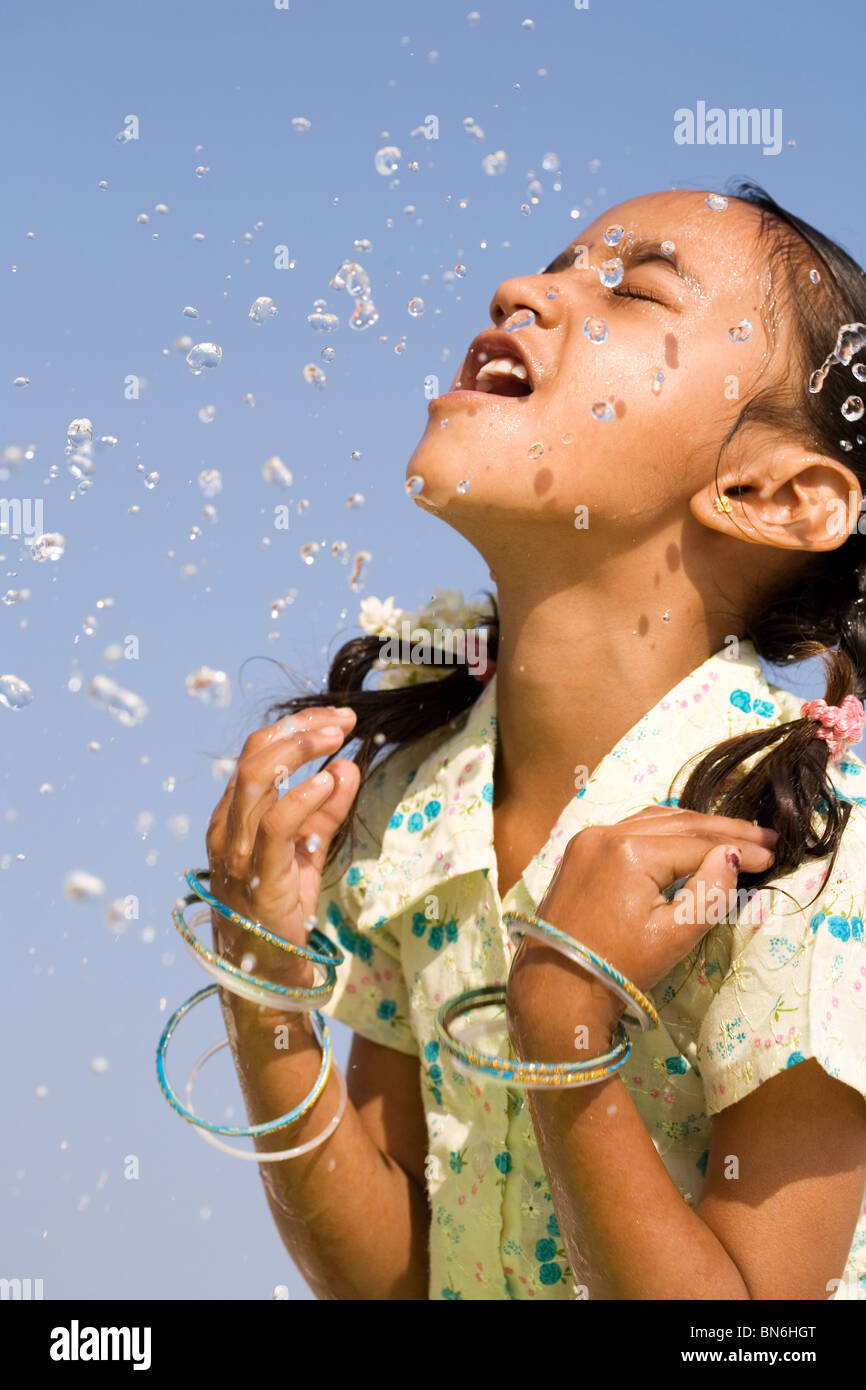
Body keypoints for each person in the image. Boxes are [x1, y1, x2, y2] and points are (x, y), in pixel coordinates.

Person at [202, 180, 866, 1300]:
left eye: (637, 286)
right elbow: (391, 1281)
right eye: (556, 263)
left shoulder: (801, 840)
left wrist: (566, 1028)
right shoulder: (419, 800)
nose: (525, 290)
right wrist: (263, 989)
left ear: (772, 494)